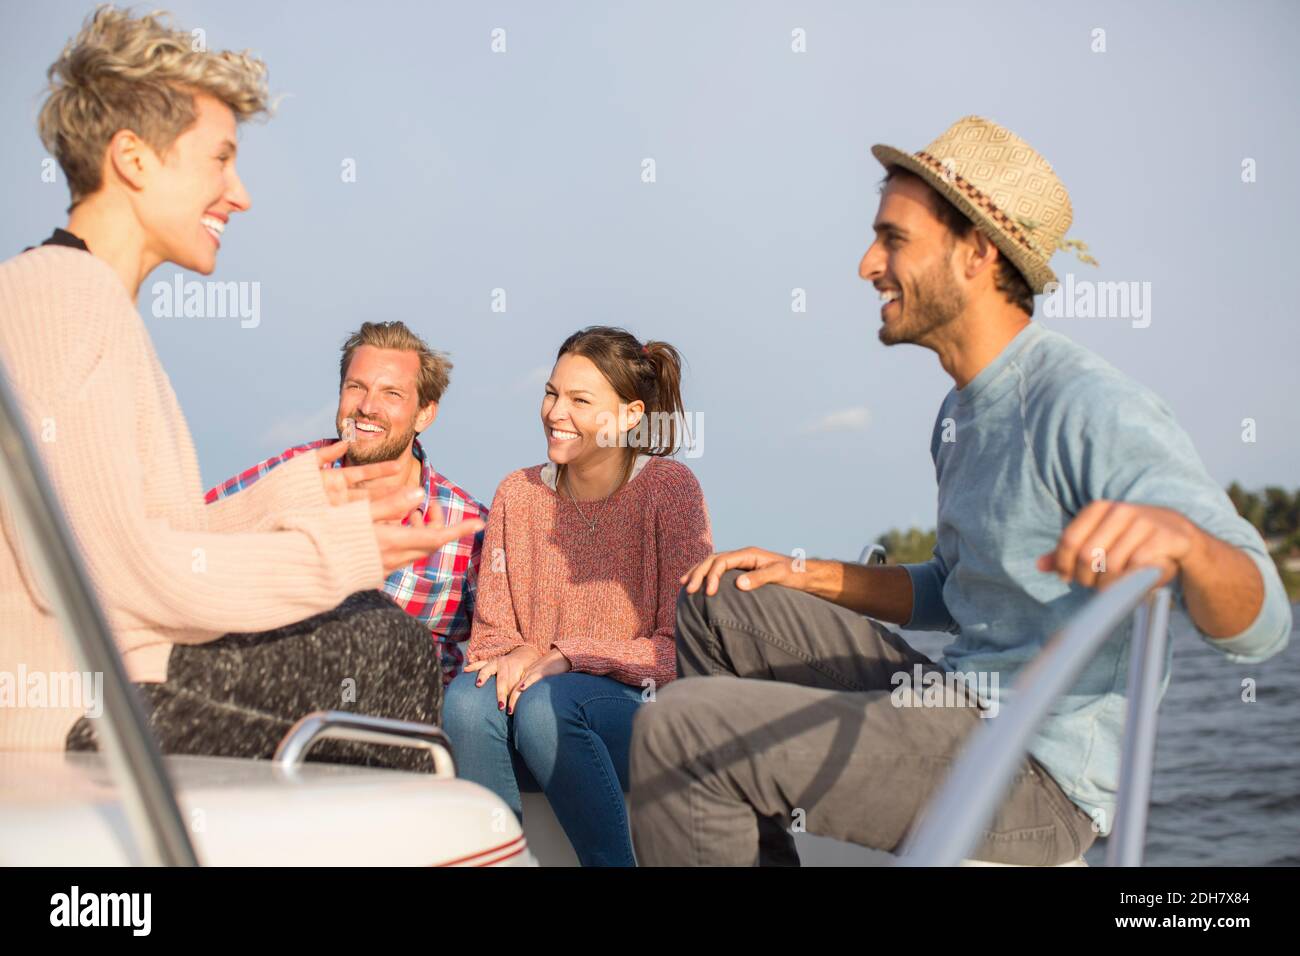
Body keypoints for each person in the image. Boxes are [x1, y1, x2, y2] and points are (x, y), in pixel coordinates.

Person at [628, 115, 1293, 866]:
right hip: (954, 702)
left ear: (976, 253)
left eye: (893, 239)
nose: (866, 264)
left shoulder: (1088, 405)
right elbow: (954, 587)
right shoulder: (961, 410)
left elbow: (1264, 621)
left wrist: (1193, 546)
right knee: (719, 598)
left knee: (680, 728)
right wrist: (801, 572)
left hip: (1033, 775)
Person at [0, 7, 482, 768]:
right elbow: (113, 575)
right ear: (134, 159)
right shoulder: (64, 301)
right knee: (387, 648)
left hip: (111, 675)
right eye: (219, 159)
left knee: (375, 630)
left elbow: (145, 538)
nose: (240, 193)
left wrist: (286, 501)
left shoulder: (83, 300)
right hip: (73, 700)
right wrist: (341, 550)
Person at [442, 326, 712, 866]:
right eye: (551, 393)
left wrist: (567, 656)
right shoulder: (517, 494)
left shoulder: (670, 490)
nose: (555, 412)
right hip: (536, 714)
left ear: (630, 415)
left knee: (547, 704)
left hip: (642, 715)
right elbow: (492, 636)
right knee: (466, 706)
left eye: (579, 400)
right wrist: (514, 653)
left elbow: (681, 651)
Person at [206, 320, 487, 691]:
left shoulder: (468, 526)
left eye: (392, 394)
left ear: (424, 414)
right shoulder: (297, 473)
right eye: (356, 387)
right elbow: (192, 531)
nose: (367, 407)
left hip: (397, 719)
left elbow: (499, 641)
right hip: (278, 690)